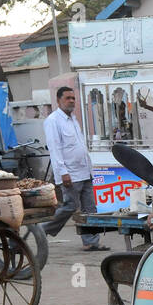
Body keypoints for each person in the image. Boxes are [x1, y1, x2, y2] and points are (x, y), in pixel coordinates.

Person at [41, 86, 105, 251]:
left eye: (73, 98)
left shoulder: (74, 119)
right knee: (70, 206)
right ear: (58, 100)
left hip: (84, 170)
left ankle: (91, 242)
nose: (71, 101)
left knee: (90, 209)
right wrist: (63, 173)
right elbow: (55, 149)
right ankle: (42, 231)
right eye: (67, 98)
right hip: (70, 173)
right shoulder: (53, 120)